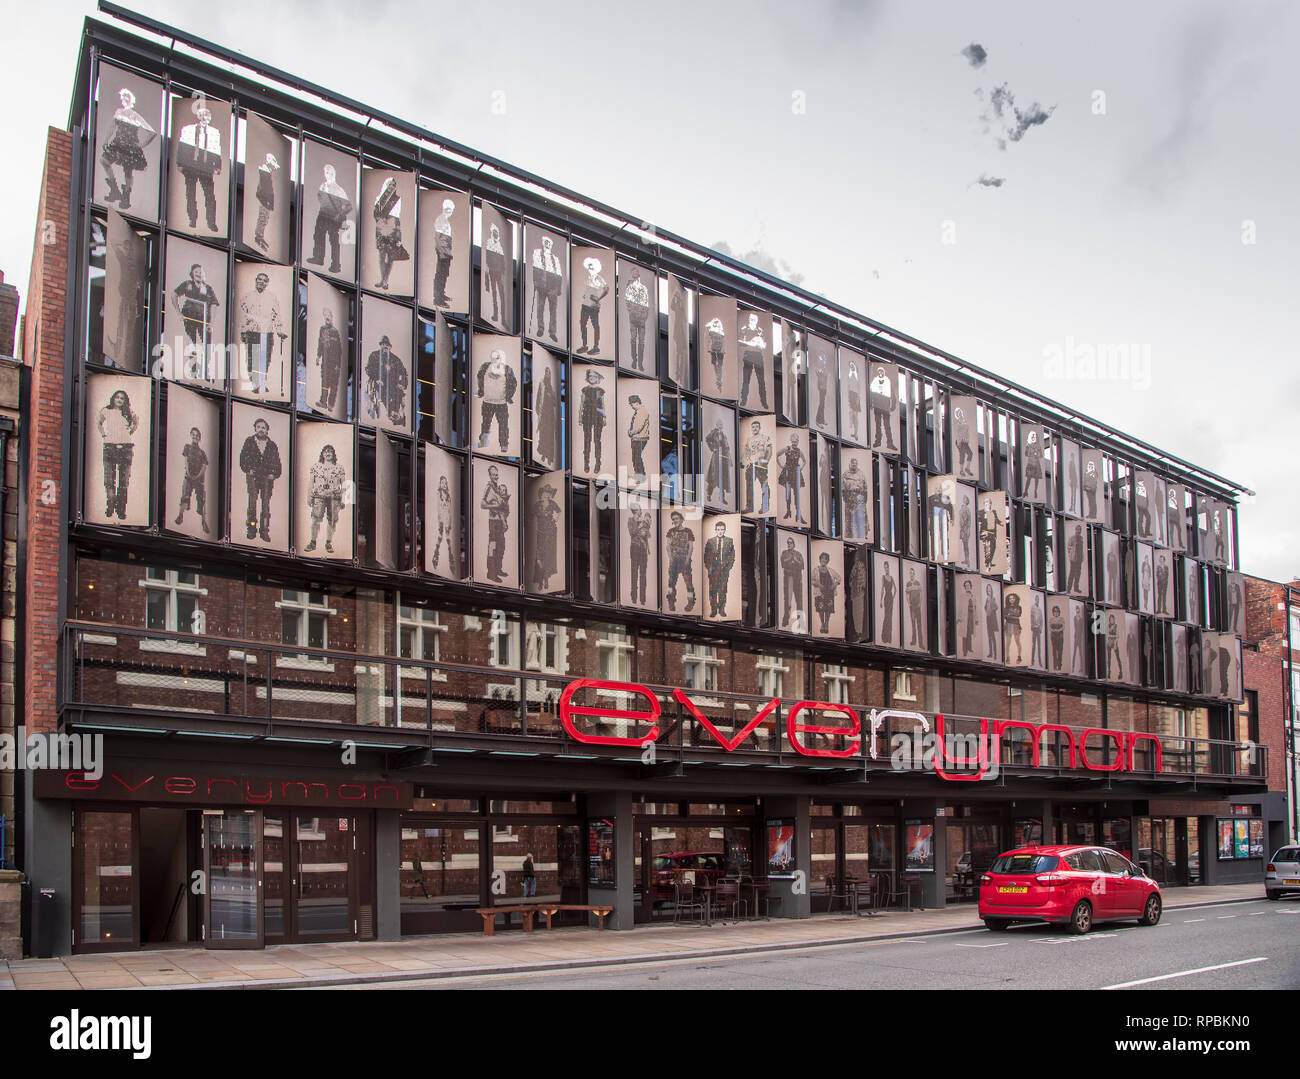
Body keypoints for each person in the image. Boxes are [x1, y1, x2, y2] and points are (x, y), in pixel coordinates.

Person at [100, 86, 156, 212]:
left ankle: (126, 197)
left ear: (131, 100)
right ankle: (114, 190)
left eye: (126, 97)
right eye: (123, 97)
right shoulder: (119, 112)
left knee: (128, 171)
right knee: (104, 161)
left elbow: (152, 132)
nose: (124, 99)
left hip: (130, 146)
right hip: (118, 143)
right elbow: (112, 127)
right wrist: (105, 140)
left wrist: (141, 145)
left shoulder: (135, 116)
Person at [238, 271, 287, 395]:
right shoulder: (247, 297)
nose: (261, 282)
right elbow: (243, 316)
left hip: (266, 333)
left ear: (267, 283)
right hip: (252, 332)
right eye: (259, 279)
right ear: (255, 280)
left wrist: (280, 330)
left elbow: (277, 316)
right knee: (252, 358)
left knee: (265, 359)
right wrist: (243, 331)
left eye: (264, 280)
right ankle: (255, 383)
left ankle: (261, 383)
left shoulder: (272, 297)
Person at [177, 104, 222, 232]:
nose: (204, 119)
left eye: (207, 117)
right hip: (191, 164)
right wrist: (180, 163)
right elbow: (181, 146)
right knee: (190, 193)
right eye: (202, 116)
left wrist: (217, 166)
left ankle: (211, 222)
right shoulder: (188, 129)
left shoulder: (214, 132)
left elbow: (217, 149)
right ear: (198, 117)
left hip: (206, 166)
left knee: (209, 196)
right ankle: (192, 219)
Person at [97, 389, 139, 520]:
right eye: (117, 397)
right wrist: (104, 434)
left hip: (125, 448)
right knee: (109, 480)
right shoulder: (106, 410)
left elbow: (136, 422)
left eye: (122, 398)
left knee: (123, 482)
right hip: (110, 447)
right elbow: (98, 422)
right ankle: (110, 505)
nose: (119, 400)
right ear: (113, 398)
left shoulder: (128, 412)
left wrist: (129, 432)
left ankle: (121, 509)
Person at [239, 416, 282, 542]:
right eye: (258, 427)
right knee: (252, 503)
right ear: (255, 428)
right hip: (253, 477)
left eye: (263, 427)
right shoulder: (249, 441)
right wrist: (248, 469)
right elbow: (242, 458)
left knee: (265, 505)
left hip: (266, 479)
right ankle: (251, 529)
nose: (261, 429)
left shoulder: (272, 445)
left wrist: (274, 474)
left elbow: (277, 463)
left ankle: (264, 531)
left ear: (267, 430)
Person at [172, 263, 220, 372]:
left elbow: (214, 304)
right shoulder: (187, 284)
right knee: (191, 342)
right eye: (196, 272)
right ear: (192, 274)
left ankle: (206, 368)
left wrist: (211, 322)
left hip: (204, 319)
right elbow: (173, 294)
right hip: (189, 317)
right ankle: (193, 368)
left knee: (207, 343)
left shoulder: (208, 288)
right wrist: (178, 313)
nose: (198, 274)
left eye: (200, 272)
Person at [306, 163, 352, 275]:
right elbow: (320, 198)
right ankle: (318, 258)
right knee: (318, 235)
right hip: (323, 215)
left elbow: (348, 206)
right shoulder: (323, 186)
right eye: (327, 172)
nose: (329, 175)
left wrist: (338, 215)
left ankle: (336, 265)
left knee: (333, 240)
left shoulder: (339, 189)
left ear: (334, 174)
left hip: (333, 217)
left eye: (331, 173)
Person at [305, 444, 346, 553]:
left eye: (330, 452)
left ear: (333, 454)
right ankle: (313, 542)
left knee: (332, 521)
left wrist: (344, 499)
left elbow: (344, 484)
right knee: (315, 520)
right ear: (322, 454)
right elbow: (311, 482)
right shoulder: (316, 467)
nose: (328, 453)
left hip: (334, 497)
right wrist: (309, 496)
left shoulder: (339, 468)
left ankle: (328, 542)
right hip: (319, 496)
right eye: (326, 451)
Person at [475, 347, 517, 452]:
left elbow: (513, 383)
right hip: (487, 401)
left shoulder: (507, 369)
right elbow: (479, 377)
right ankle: (483, 441)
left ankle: (504, 444)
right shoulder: (485, 367)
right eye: (494, 357)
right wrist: (481, 391)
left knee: (503, 425)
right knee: (485, 423)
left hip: (501, 403)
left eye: (498, 357)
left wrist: (508, 396)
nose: (496, 359)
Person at [371, 177, 408, 291]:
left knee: (390, 256)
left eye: (393, 185)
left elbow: (397, 216)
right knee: (382, 255)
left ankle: (386, 280)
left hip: (392, 226)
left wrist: (397, 234)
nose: (392, 187)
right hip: (382, 227)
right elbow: (375, 214)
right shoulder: (379, 198)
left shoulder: (397, 199)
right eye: (390, 185)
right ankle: (383, 279)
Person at [366, 335, 409, 427]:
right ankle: (390, 412)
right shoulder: (374, 355)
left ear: (390, 347)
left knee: (398, 392)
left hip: (393, 384)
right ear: (381, 345)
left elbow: (404, 372)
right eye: (383, 344)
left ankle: (396, 414)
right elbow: (368, 368)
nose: (385, 347)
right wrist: (376, 378)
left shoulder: (396, 359)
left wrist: (402, 383)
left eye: (387, 345)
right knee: (383, 392)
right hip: (379, 382)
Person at [173, 425, 209, 533]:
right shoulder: (187, 447)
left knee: (202, 500)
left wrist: (198, 476)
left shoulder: (202, 453)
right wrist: (189, 474)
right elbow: (186, 461)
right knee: (184, 496)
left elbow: (204, 466)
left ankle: (204, 522)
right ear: (190, 435)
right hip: (188, 477)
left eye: (197, 435)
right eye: (193, 435)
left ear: (200, 438)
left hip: (199, 480)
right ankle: (180, 515)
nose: (195, 437)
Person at [529, 236, 563, 341]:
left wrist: (559, 288)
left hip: (552, 285)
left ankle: (552, 331)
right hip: (542, 284)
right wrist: (535, 281)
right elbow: (535, 266)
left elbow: (559, 273)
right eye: (546, 242)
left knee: (553, 310)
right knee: (540, 307)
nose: (547, 244)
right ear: (543, 243)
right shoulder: (537, 253)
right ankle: (540, 328)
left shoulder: (555, 258)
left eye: (549, 242)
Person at [481, 465, 511, 582]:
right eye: (494, 475)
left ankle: (498, 569)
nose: (496, 477)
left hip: (499, 523)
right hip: (493, 523)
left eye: (497, 474)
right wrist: (495, 506)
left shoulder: (497, 488)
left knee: (500, 547)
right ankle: (491, 573)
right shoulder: (489, 487)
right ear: (490, 475)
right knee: (492, 547)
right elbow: (482, 504)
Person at [664, 510, 697, 612]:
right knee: (671, 582)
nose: (675, 520)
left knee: (688, 582)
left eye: (677, 518)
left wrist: (687, 560)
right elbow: (667, 546)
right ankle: (671, 601)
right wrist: (670, 558)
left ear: (681, 519)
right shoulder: (670, 531)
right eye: (673, 519)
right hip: (674, 559)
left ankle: (690, 602)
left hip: (684, 558)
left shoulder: (688, 531)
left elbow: (691, 547)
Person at [703, 520, 736, 618]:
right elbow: (706, 555)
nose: (720, 531)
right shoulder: (710, 541)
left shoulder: (729, 541)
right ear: (715, 530)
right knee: (713, 590)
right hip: (713, 570)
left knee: (722, 590)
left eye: (722, 529)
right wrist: (709, 567)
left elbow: (732, 556)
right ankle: (713, 610)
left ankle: (721, 610)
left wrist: (728, 568)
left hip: (724, 569)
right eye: (718, 529)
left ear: (725, 530)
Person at [576, 256, 608, 356]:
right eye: (589, 266)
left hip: (593, 305)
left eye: (592, 266)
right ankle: (584, 345)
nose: (590, 268)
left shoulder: (599, 278)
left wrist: (598, 298)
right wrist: (586, 295)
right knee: (582, 324)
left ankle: (596, 347)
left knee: (595, 325)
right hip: (585, 304)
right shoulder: (588, 277)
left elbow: (606, 289)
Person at [531, 484, 561, 590]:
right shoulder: (537, 505)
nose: (547, 495)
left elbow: (559, 511)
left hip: (550, 533)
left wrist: (555, 519)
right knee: (540, 557)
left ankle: (546, 580)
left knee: (548, 556)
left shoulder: (553, 504)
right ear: (542, 494)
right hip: (540, 533)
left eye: (549, 493)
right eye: (545, 493)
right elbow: (532, 516)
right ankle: (540, 580)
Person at [314, 306, 344, 412]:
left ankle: (331, 404)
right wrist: (318, 356)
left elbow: (339, 350)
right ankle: (323, 401)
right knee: (324, 381)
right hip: (325, 361)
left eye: (328, 316)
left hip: (334, 362)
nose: (327, 318)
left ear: (332, 317)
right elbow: (320, 343)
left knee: (333, 383)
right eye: (325, 315)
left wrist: (338, 365)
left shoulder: (335, 331)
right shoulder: (322, 329)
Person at [577, 368, 607, 473]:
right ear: (588, 378)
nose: (592, 378)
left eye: (594, 376)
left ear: (597, 378)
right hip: (587, 415)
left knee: (597, 440)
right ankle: (586, 462)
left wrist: (604, 417)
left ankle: (598, 462)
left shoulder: (600, 391)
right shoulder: (585, 390)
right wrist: (580, 417)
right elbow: (581, 404)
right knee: (587, 439)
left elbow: (602, 405)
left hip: (597, 416)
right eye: (590, 376)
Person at [738, 312, 768, 409]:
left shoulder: (760, 331)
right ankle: (743, 400)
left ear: (757, 321)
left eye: (754, 319)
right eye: (751, 319)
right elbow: (740, 341)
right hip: (748, 355)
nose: (752, 321)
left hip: (758, 356)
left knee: (761, 381)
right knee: (746, 380)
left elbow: (764, 345)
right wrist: (752, 343)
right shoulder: (744, 330)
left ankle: (764, 402)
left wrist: (758, 344)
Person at [623, 268, 651, 371]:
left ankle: (640, 363)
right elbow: (627, 302)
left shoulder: (643, 288)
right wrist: (632, 312)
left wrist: (644, 315)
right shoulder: (629, 287)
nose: (635, 276)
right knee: (633, 339)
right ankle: (634, 360)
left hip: (642, 317)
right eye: (634, 275)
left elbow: (646, 303)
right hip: (634, 317)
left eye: (636, 274)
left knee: (641, 341)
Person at [742, 420, 772, 514]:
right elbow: (746, 451)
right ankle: (749, 507)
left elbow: (769, 451)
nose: (755, 428)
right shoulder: (749, 439)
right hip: (751, 465)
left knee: (764, 485)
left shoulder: (765, 438)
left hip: (761, 465)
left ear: (759, 428)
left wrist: (765, 461)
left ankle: (765, 506)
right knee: (749, 486)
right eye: (753, 427)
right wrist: (745, 461)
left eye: (756, 427)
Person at [777, 433, 807, 525]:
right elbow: (776, 455)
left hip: (796, 473)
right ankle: (788, 511)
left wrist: (801, 468)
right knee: (788, 493)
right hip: (787, 473)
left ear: (798, 441)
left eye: (796, 441)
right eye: (793, 441)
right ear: (791, 441)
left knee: (797, 495)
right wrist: (781, 466)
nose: (795, 443)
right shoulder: (787, 448)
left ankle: (799, 514)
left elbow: (804, 461)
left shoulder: (799, 451)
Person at [431, 198, 456, 306]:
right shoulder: (441, 220)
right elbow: (437, 238)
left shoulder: (445, 220)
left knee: (444, 274)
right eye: (447, 209)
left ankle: (441, 294)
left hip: (446, 253)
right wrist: (441, 252)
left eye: (450, 210)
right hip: (443, 253)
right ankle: (438, 298)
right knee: (440, 274)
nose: (449, 211)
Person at [430, 474, 457, 575]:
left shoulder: (448, 495)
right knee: (441, 537)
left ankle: (450, 558)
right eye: (443, 483)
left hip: (447, 518)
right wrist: (440, 519)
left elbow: (449, 510)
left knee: (448, 538)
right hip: (441, 518)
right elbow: (438, 507)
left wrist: (449, 521)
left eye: (446, 483)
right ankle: (436, 555)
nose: (444, 485)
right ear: (440, 484)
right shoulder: (439, 494)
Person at [252, 152, 279, 251]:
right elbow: (264, 187)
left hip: (266, 199)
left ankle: (260, 237)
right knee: (263, 218)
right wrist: (266, 200)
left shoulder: (268, 171)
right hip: (264, 199)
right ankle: (258, 237)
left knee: (265, 219)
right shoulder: (264, 171)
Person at [868, 365, 897, 450]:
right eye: (879, 372)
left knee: (887, 425)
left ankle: (890, 443)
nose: (880, 373)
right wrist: (870, 403)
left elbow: (892, 394)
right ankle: (878, 441)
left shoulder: (887, 381)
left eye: (882, 371)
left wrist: (893, 405)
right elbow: (871, 392)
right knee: (878, 425)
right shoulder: (875, 381)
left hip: (885, 406)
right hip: (877, 405)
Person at [484, 222, 508, 324]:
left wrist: (503, 272)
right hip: (492, 272)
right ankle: (495, 315)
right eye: (494, 232)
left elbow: (503, 262)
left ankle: (503, 319)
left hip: (499, 273)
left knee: (502, 296)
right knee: (494, 294)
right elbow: (487, 258)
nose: (496, 234)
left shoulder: (500, 246)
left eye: (496, 232)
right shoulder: (489, 243)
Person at [535, 366, 559, 468]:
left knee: (549, 436)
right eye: (546, 372)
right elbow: (538, 397)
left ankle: (549, 457)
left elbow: (555, 402)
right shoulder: (542, 384)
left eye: (548, 373)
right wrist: (538, 410)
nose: (547, 374)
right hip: (544, 413)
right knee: (543, 434)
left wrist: (551, 396)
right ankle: (543, 454)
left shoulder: (552, 388)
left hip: (550, 415)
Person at [627, 504, 651, 605]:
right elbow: (632, 533)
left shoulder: (642, 521)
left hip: (643, 549)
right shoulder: (631, 520)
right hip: (635, 548)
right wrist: (640, 527)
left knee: (643, 574)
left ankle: (642, 599)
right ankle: (633, 597)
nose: (641, 511)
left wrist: (648, 548)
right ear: (636, 510)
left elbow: (647, 535)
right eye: (640, 509)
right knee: (634, 573)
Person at [705, 418, 732, 504]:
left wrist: (729, 459)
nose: (720, 426)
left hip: (723, 458)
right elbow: (707, 439)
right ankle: (709, 494)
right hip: (716, 457)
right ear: (717, 425)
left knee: (723, 478)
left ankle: (722, 498)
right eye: (719, 424)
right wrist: (713, 448)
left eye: (721, 424)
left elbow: (727, 447)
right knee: (713, 477)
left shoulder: (723, 435)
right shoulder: (714, 432)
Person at [813, 551, 841, 634]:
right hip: (820, 592)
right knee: (821, 609)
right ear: (820, 559)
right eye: (822, 558)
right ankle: (822, 624)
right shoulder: (815, 570)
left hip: (829, 592)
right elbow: (811, 579)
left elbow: (839, 578)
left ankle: (827, 624)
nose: (824, 560)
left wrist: (835, 584)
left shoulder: (830, 570)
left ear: (827, 561)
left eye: (825, 559)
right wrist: (818, 584)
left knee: (828, 609)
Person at [780, 537, 805, 629]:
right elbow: (782, 563)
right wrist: (790, 559)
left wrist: (795, 559)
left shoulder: (798, 554)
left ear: (794, 544)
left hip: (797, 578)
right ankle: (786, 618)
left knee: (799, 599)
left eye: (790, 542)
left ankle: (800, 620)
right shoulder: (784, 553)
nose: (789, 544)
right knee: (787, 599)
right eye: (788, 542)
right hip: (788, 578)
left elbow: (802, 565)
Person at [626, 394, 651, 481]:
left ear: (636, 403)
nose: (631, 406)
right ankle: (640, 475)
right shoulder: (640, 411)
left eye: (631, 404)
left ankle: (640, 477)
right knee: (636, 457)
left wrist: (631, 432)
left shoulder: (642, 411)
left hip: (640, 438)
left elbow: (639, 426)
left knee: (636, 457)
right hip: (638, 437)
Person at [670, 284, 689, 386]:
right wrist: (674, 297)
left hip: (682, 332)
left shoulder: (681, 308)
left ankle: (680, 371)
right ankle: (677, 371)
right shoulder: (676, 305)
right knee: (678, 352)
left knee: (682, 352)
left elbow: (685, 319)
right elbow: (672, 306)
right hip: (677, 331)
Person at [705, 316, 726, 394]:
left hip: (720, 350)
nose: (716, 324)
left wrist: (723, 350)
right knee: (715, 365)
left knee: (719, 366)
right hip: (713, 350)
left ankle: (719, 380)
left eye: (717, 323)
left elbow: (724, 342)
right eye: (715, 323)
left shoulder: (721, 333)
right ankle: (717, 379)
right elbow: (708, 340)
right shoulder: (711, 331)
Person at [953, 405, 974, 478]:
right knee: (962, 454)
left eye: (961, 412)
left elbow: (967, 432)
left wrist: (967, 439)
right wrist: (959, 442)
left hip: (965, 441)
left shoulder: (964, 421)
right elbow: (958, 433)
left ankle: (967, 468)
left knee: (970, 453)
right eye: (959, 413)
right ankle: (961, 470)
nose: (960, 414)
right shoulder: (957, 422)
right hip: (960, 441)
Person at [905, 566, 923, 647]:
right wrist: (909, 603)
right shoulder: (908, 583)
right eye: (910, 573)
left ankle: (921, 643)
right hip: (912, 606)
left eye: (912, 573)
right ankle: (914, 640)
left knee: (919, 624)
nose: (911, 574)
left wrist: (920, 602)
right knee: (913, 623)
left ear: (914, 574)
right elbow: (907, 594)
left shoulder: (917, 583)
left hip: (917, 605)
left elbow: (921, 593)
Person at [1023, 429, 1043, 500]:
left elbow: (1041, 455)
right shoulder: (1028, 445)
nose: (1034, 437)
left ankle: (1035, 491)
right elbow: (1025, 453)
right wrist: (1031, 453)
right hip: (1030, 463)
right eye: (1033, 436)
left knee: (1036, 478)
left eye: (1035, 436)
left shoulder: (1038, 446)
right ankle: (1026, 491)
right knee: (1029, 478)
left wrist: (1037, 454)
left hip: (1036, 463)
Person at [878, 561, 896, 644]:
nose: (886, 569)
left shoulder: (891, 578)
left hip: (890, 597)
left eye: (887, 567)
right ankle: (884, 637)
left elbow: (895, 589)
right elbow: (882, 589)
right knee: (886, 616)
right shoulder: (883, 577)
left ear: (889, 568)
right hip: (886, 598)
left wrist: (893, 597)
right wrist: (881, 601)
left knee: (890, 617)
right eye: (885, 568)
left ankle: (889, 637)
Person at [813, 351, 831, 429]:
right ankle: (818, 420)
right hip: (820, 388)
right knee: (820, 404)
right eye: (822, 359)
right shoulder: (818, 369)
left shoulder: (824, 369)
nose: (823, 361)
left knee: (823, 404)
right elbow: (819, 375)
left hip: (824, 388)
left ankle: (822, 419)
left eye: (824, 359)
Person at [1003, 592, 1023, 663]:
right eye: (1010, 598)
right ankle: (1007, 657)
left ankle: (1019, 656)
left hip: (1016, 625)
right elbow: (1006, 616)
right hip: (1008, 625)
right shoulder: (1006, 608)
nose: (1011, 600)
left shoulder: (1019, 607)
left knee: (1017, 641)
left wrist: (1010, 615)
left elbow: (1018, 615)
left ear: (1016, 599)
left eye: (1013, 598)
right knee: (1008, 642)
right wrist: (1012, 615)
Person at [844, 359, 861, 441]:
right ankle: (850, 432)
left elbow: (859, 388)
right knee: (851, 414)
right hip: (850, 395)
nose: (852, 367)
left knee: (855, 416)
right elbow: (847, 386)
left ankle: (856, 433)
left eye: (852, 365)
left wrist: (858, 397)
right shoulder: (849, 375)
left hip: (856, 395)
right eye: (850, 366)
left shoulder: (857, 376)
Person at [1066, 523, 1085, 593]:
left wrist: (1082, 557)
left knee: (1078, 574)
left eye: (1080, 529)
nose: (1079, 531)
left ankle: (1076, 588)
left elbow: (1082, 548)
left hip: (1079, 558)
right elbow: (1068, 547)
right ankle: (1068, 588)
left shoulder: (1081, 538)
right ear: (1075, 530)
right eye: (1077, 529)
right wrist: (1071, 553)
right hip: (1073, 558)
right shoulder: (1072, 538)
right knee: (1072, 573)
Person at [960, 579, 976, 655]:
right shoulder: (962, 596)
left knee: (969, 633)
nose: (967, 587)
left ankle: (969, 648)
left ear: (971, 586)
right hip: (965, 616)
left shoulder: (973, 596)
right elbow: (960, 607)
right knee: (964, 634)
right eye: (966, 586)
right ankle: (964, 651)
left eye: (968, 585)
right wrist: (959, 617)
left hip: (971, 616)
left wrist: (976, 618)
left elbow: (975, 608)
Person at [984, 584, 999, 660]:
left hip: (992, 620)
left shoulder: (993, 598)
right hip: (988, 618)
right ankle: (990, 652)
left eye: (989, 589)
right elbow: (985, 607)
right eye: (987, 589)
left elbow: (996, 607)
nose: (988, 591)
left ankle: (995, 654)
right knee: (989, 636)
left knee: (993, 637)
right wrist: (987, 611)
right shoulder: (987, 599)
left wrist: (991, 610)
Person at [958, 492, 973, 567]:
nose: (964, 500)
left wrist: (962, 529)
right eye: (963, 499)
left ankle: (967, 560)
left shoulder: (965, 509)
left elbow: (964, 520)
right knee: (965, 545)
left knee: (965, 545)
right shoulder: (964, 508)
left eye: (965, 499)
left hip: (964, 530)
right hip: (964, 529)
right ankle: (967, 559)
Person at [1106, 614, 1122, 680]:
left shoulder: (1116, 626)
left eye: (1112, 619)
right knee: (1109, 659)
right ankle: (1109, 672)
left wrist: (1115, 642)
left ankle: (1121, 672)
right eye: (1110, 619)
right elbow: (1107, 635)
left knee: (1118, 658)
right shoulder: (1108, 626)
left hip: (1114, 642)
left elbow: (1117, 636)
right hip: (1109, 643)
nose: (1111, 620)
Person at [1030, 596, 1044, 666]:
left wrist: (1040, 628)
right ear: (1035, 600)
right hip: (1034, 628)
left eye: (1038, 600)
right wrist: (1032, 626)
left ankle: (1039, 660)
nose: (1037, 601)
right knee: (1033, 645)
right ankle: (1032, 660)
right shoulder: (1032, 608)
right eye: (1036, 599)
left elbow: (1041, 620)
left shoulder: (1040, 610)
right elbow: (1031, 617)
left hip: (1038, 629)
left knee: (1039, 645)